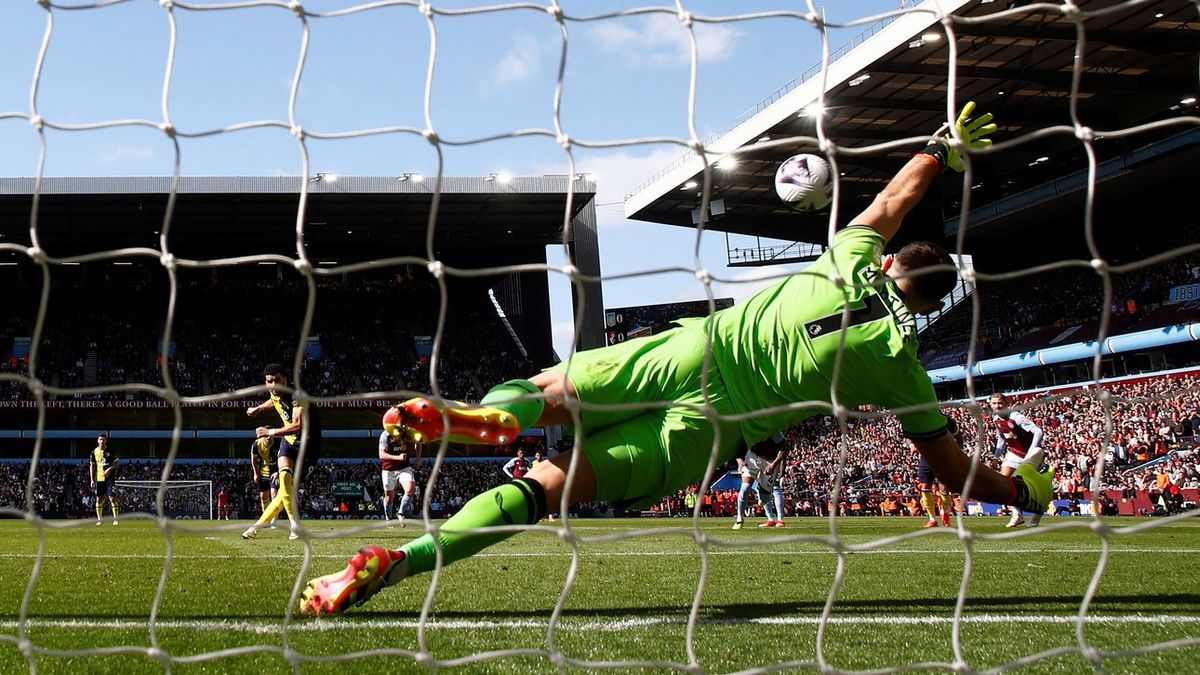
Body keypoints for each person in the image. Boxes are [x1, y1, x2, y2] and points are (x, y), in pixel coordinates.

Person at [300, 101, 1053, 616]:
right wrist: (1022, 492)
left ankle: (496, 414)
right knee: (543, 490)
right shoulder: (899, 364)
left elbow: (890, 200)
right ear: (929, 307)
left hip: (691, 349)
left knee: (545, 386)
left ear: (890, 267)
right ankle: (399, 560)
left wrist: (940, 147)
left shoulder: (849, 260)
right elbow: (955, 472)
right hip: (710, 428)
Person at [242, 363, 323, 541]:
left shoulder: (297, 396)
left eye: (276, 381)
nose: (272, 386)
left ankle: (258, 527)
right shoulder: (275, 392)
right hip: (289, 441)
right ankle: (293, 526)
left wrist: (270, 432)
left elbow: (297, 426)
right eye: (269, 382)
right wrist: (258, 409)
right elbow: (273, 402)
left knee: (286, 491)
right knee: (285, 481)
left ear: (285, 379)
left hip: (308, 444)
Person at [988, 392, 1047, 528]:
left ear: (1006, 404)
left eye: (1000, 403)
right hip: (1014, 453)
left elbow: (1038, 431)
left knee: (1034, 487)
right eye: (994, 403)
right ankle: (1016, 515)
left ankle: (1036, 516)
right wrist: (996, 457)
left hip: (1031, 455)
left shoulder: (1016, 417)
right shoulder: (996, 419)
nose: (997, 406)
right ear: (990, 405)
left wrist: (1032, 452)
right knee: (1003, 482)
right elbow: (1002, 438)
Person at [379, 408, 423, 527]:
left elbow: (418, 443)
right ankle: (389, 519)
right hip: (388, 469)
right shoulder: (385, 435)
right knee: (389, 497)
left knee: (410, 490)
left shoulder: (408, 432)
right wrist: (397, 457)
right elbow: (381, 454)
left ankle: (401, 513)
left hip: (404, 467)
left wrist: (418, 458)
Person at [89, 434, 120, 526]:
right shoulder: (94, 452)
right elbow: (92, 466)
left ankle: (116, 519)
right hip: (99, 478)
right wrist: (91, 479)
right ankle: (99, 520)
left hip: (110, 478)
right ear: (98, 441)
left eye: (103, 439)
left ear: (106, 441)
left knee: (112, 497)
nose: (102, 441)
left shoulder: (111, 452)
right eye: (100, 439)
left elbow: (117, 464)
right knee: (99, 498)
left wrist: (110, 469)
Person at [250, 435, 279, 526]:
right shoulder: (257, 444)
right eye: (266, 438)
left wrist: (278, 472)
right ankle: (266, 519)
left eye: (271, 438)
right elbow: (253, 458)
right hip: (263, 474)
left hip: (275, 474)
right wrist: (255, 473)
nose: (268, 440)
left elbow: (284, 458)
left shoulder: (279, 443)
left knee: (274, 495)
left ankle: (274, 519)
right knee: (263, 496)